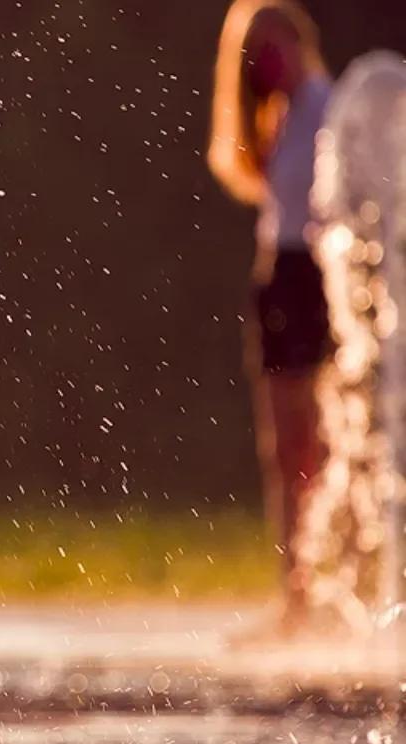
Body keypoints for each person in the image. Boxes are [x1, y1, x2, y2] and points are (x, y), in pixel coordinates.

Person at [208, 0, 333, 636]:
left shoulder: (335, 108)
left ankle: (340, 592)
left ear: (299, 36)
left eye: (276, 42)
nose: (271, 59)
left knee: (332, 441)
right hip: (280, 277)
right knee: (286, 451)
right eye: (258, 53)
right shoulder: (275, 124)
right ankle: (299, 596)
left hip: (326, 273)